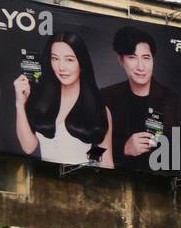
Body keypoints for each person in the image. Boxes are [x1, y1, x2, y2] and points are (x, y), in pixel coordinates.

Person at [100, 25, 181, 171]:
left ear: (153, 60)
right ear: (121, 60)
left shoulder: (174, 103)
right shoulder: (106, 98)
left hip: (161, 188)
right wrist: (123, 149)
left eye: (146, 58)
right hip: (113, 186)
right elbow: (89, 151)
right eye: (132, 58)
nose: (141, 66)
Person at [12, 32, 113, 167]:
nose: (61, 67)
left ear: (81, 63)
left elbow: (105, 160)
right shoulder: (41, 101)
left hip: (80, 181)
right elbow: (28, 147)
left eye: (69, 59)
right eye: (55, 59)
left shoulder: (98, 108)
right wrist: (20, 104)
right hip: (44, 181)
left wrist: (87, 162)